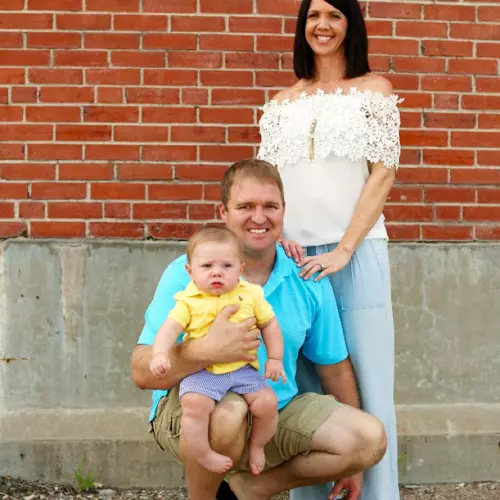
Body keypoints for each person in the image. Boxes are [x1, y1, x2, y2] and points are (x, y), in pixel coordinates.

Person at [131, 158, 387, 500]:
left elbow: (335, 370)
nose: (259, 217)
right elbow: (141, 371)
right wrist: (204, 350)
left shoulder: (305, 277)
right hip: (195, 409)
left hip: (273, 411)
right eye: (245, 206)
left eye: (270, 206)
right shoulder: (187, 273)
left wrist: (353, 464)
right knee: (228, 414)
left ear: (284, 210)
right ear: (223, 212)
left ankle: (253, 487)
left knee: (368, 437)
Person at [257, 1, 402, 499]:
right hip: (292, 263)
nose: (323, 25)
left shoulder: (374, 91)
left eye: (335, 15)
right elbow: (268, 184)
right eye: (314, 15)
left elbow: (383, 172)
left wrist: (344, 248)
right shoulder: (279, 103)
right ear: (302, 27)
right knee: (303, 396)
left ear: (351, 26)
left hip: (355, 255)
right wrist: (277, 239)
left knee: (367, 384)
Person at [150, 226, 286, 476]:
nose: (217, 272)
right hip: (204, 371)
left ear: (240, 269)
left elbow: (269, 324)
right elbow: (169, 329)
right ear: (190, 271)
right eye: (207, 266)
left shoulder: (251, 294)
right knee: (193, 405)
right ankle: (203, 453)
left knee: (267, 403)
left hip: (242, 369)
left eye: (226, 266)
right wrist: (160, 354)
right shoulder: (188, 301)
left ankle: (257, 446)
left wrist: (275, 359)